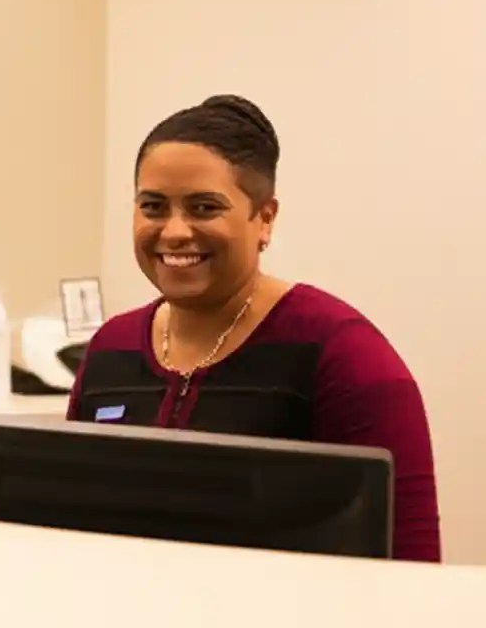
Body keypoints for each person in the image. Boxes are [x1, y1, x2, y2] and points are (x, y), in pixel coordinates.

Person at [65, 94, 441, 562]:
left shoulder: (342, 356)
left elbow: (413, 569)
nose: (174, 231)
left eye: (204, 208)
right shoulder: (110, 351)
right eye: (154, 206)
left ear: (264, 219)